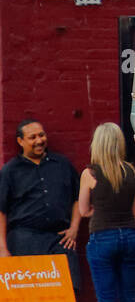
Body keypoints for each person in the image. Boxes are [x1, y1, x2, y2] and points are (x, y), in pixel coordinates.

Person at [78, 123, 135, 302]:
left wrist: (100, 209)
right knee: (128, 294)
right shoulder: (132, 173)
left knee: (107, 297)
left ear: (97, 144)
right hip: (128, 238)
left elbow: (83, 210)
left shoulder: (90, 173)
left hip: (102, 239)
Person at [0, 119, 81, 289]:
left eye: (41, 135)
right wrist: (2, 248)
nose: (39, 140)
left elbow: (78, 197)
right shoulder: (10, 171)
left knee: (66, 291)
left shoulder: (62, 164)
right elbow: (1, 211)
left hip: (60, 240)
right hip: (24, 241)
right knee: (31, 294)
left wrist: (74, 228)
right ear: (20, 141)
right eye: (32, 137)